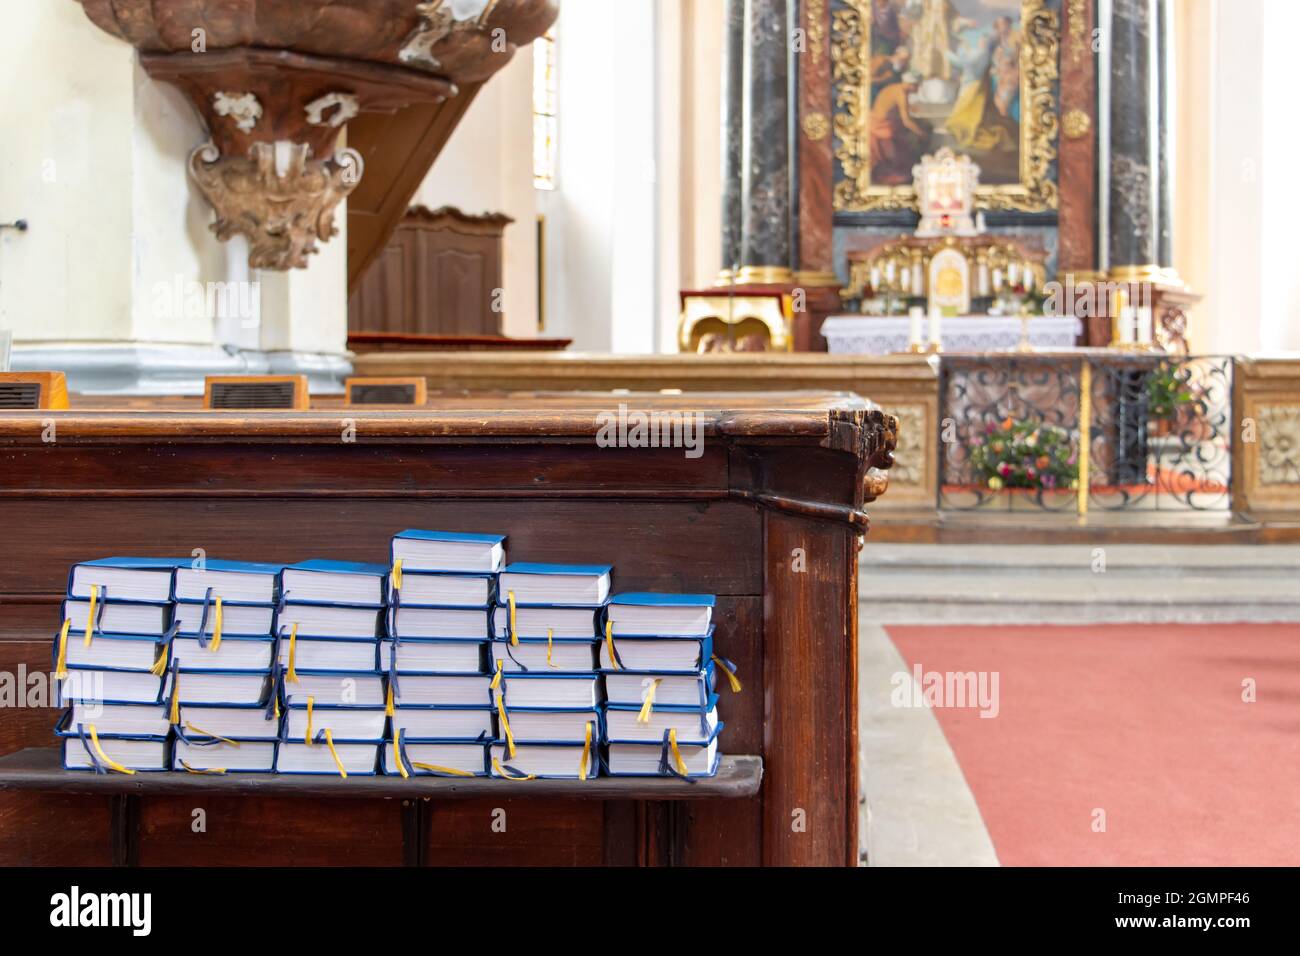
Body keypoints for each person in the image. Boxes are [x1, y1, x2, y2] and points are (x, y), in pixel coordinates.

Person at [942, 28, 1016, 152]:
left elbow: (965, 63)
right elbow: (965, 63)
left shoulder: (982, 54)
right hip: (970, 84)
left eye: (983, 39)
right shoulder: (981, 53)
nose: (980, 41)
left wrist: (949, 53)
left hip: (973, 87)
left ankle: (964, 132)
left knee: (963, 112)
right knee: (963, 110)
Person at [870, 71, 929, 184]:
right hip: (882, 124)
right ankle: (915, 161)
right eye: (917, 86)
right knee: (919, 132)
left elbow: (893, 105)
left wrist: (910, 108)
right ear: (911, 84)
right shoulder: (901, 94)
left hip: (884, 119)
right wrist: (921, 134)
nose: (918, 89)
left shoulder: (896, 88)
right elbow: (907, 121)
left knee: (922, 124)